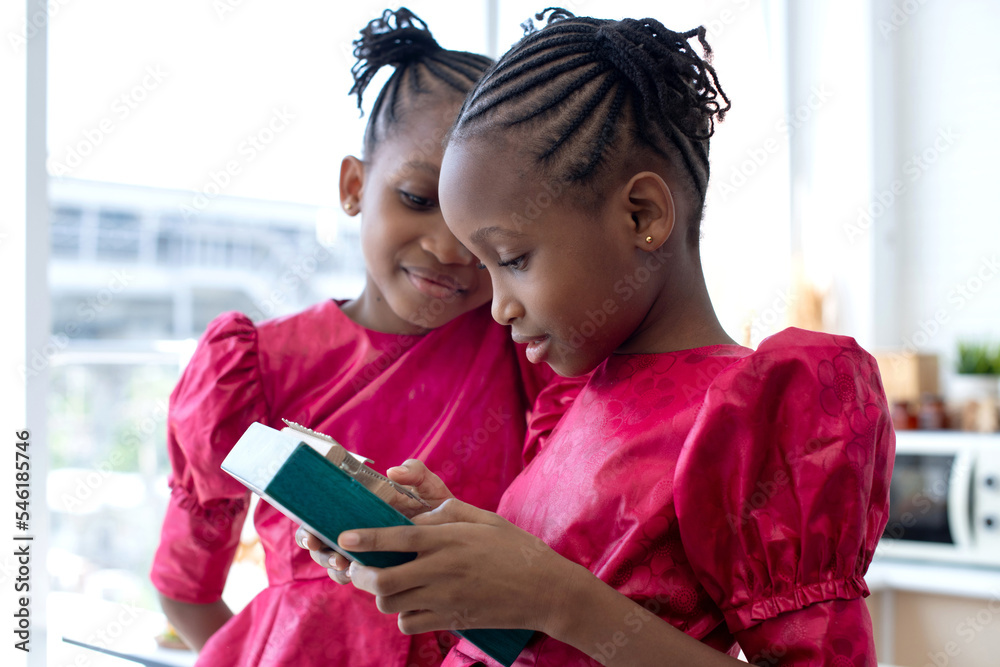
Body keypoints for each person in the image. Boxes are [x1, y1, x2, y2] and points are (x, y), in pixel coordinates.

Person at [306, 9, 895, 666]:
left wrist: (558, 598)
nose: (498, 307)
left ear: (642, 215)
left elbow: (567, 604)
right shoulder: (574, 400)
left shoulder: (755, 415)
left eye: (514, 259)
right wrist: (455, 540)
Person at [150, 8, 579, 666]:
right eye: (417, 198)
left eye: (478, 222)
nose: (448, 247)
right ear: (354, 186)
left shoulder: (525, 348)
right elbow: (186, 587)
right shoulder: (252, 366)